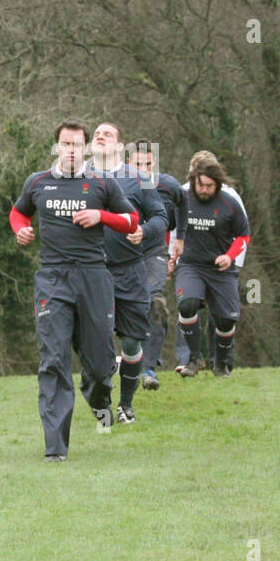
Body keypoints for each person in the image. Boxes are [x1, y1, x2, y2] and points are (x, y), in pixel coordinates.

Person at [10, 118, 139, 461]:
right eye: (65, 144)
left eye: (77, 145)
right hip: (53, 278)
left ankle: (100, 401)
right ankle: (56, 449)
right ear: (57, 147)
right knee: (53, 358)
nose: (71, 151)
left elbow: (132, 221)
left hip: (94, 278)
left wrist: (101, 216)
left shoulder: (101, 183)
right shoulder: (37, 182)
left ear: (85, 148)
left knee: (97, 365)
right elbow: (18, 212)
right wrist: (20, 230)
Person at [86, 123, 167, 424]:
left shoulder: (139, 180)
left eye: (107, 134)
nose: (100, 136)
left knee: (131, 342)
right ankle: (103, 405)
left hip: (131, 270)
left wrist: (144, 232)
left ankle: (126, 404)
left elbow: (161, 217)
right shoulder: (78, 177)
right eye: (96, 134)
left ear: (120, 147)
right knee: (97, 343)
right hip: (92, 272)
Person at [171, 150, 249, 376]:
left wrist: (230, 256)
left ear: (217, 184)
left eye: (209, 186)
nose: (204, 190)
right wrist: (170, 256)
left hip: (221, 269)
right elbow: (169, 227)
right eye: (200, 185)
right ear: (193, 180)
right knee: (188, 305)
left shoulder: (230, 202)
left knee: (225, 320)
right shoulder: (182, 197)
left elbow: (244, 235)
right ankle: (194, 359)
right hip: (191, 265)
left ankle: (221, 363)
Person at [128, 140, 187, 390]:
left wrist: (180, 239)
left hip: (155, 252)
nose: (144, 169)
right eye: (138, 164)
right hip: (121, 254)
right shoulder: (113, 182)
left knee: (156, 303)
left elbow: (183, 205)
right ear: (128, 162)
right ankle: (123, 359)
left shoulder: (169, 185)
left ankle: (149, 369)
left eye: (149, 164)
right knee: (121, 307)